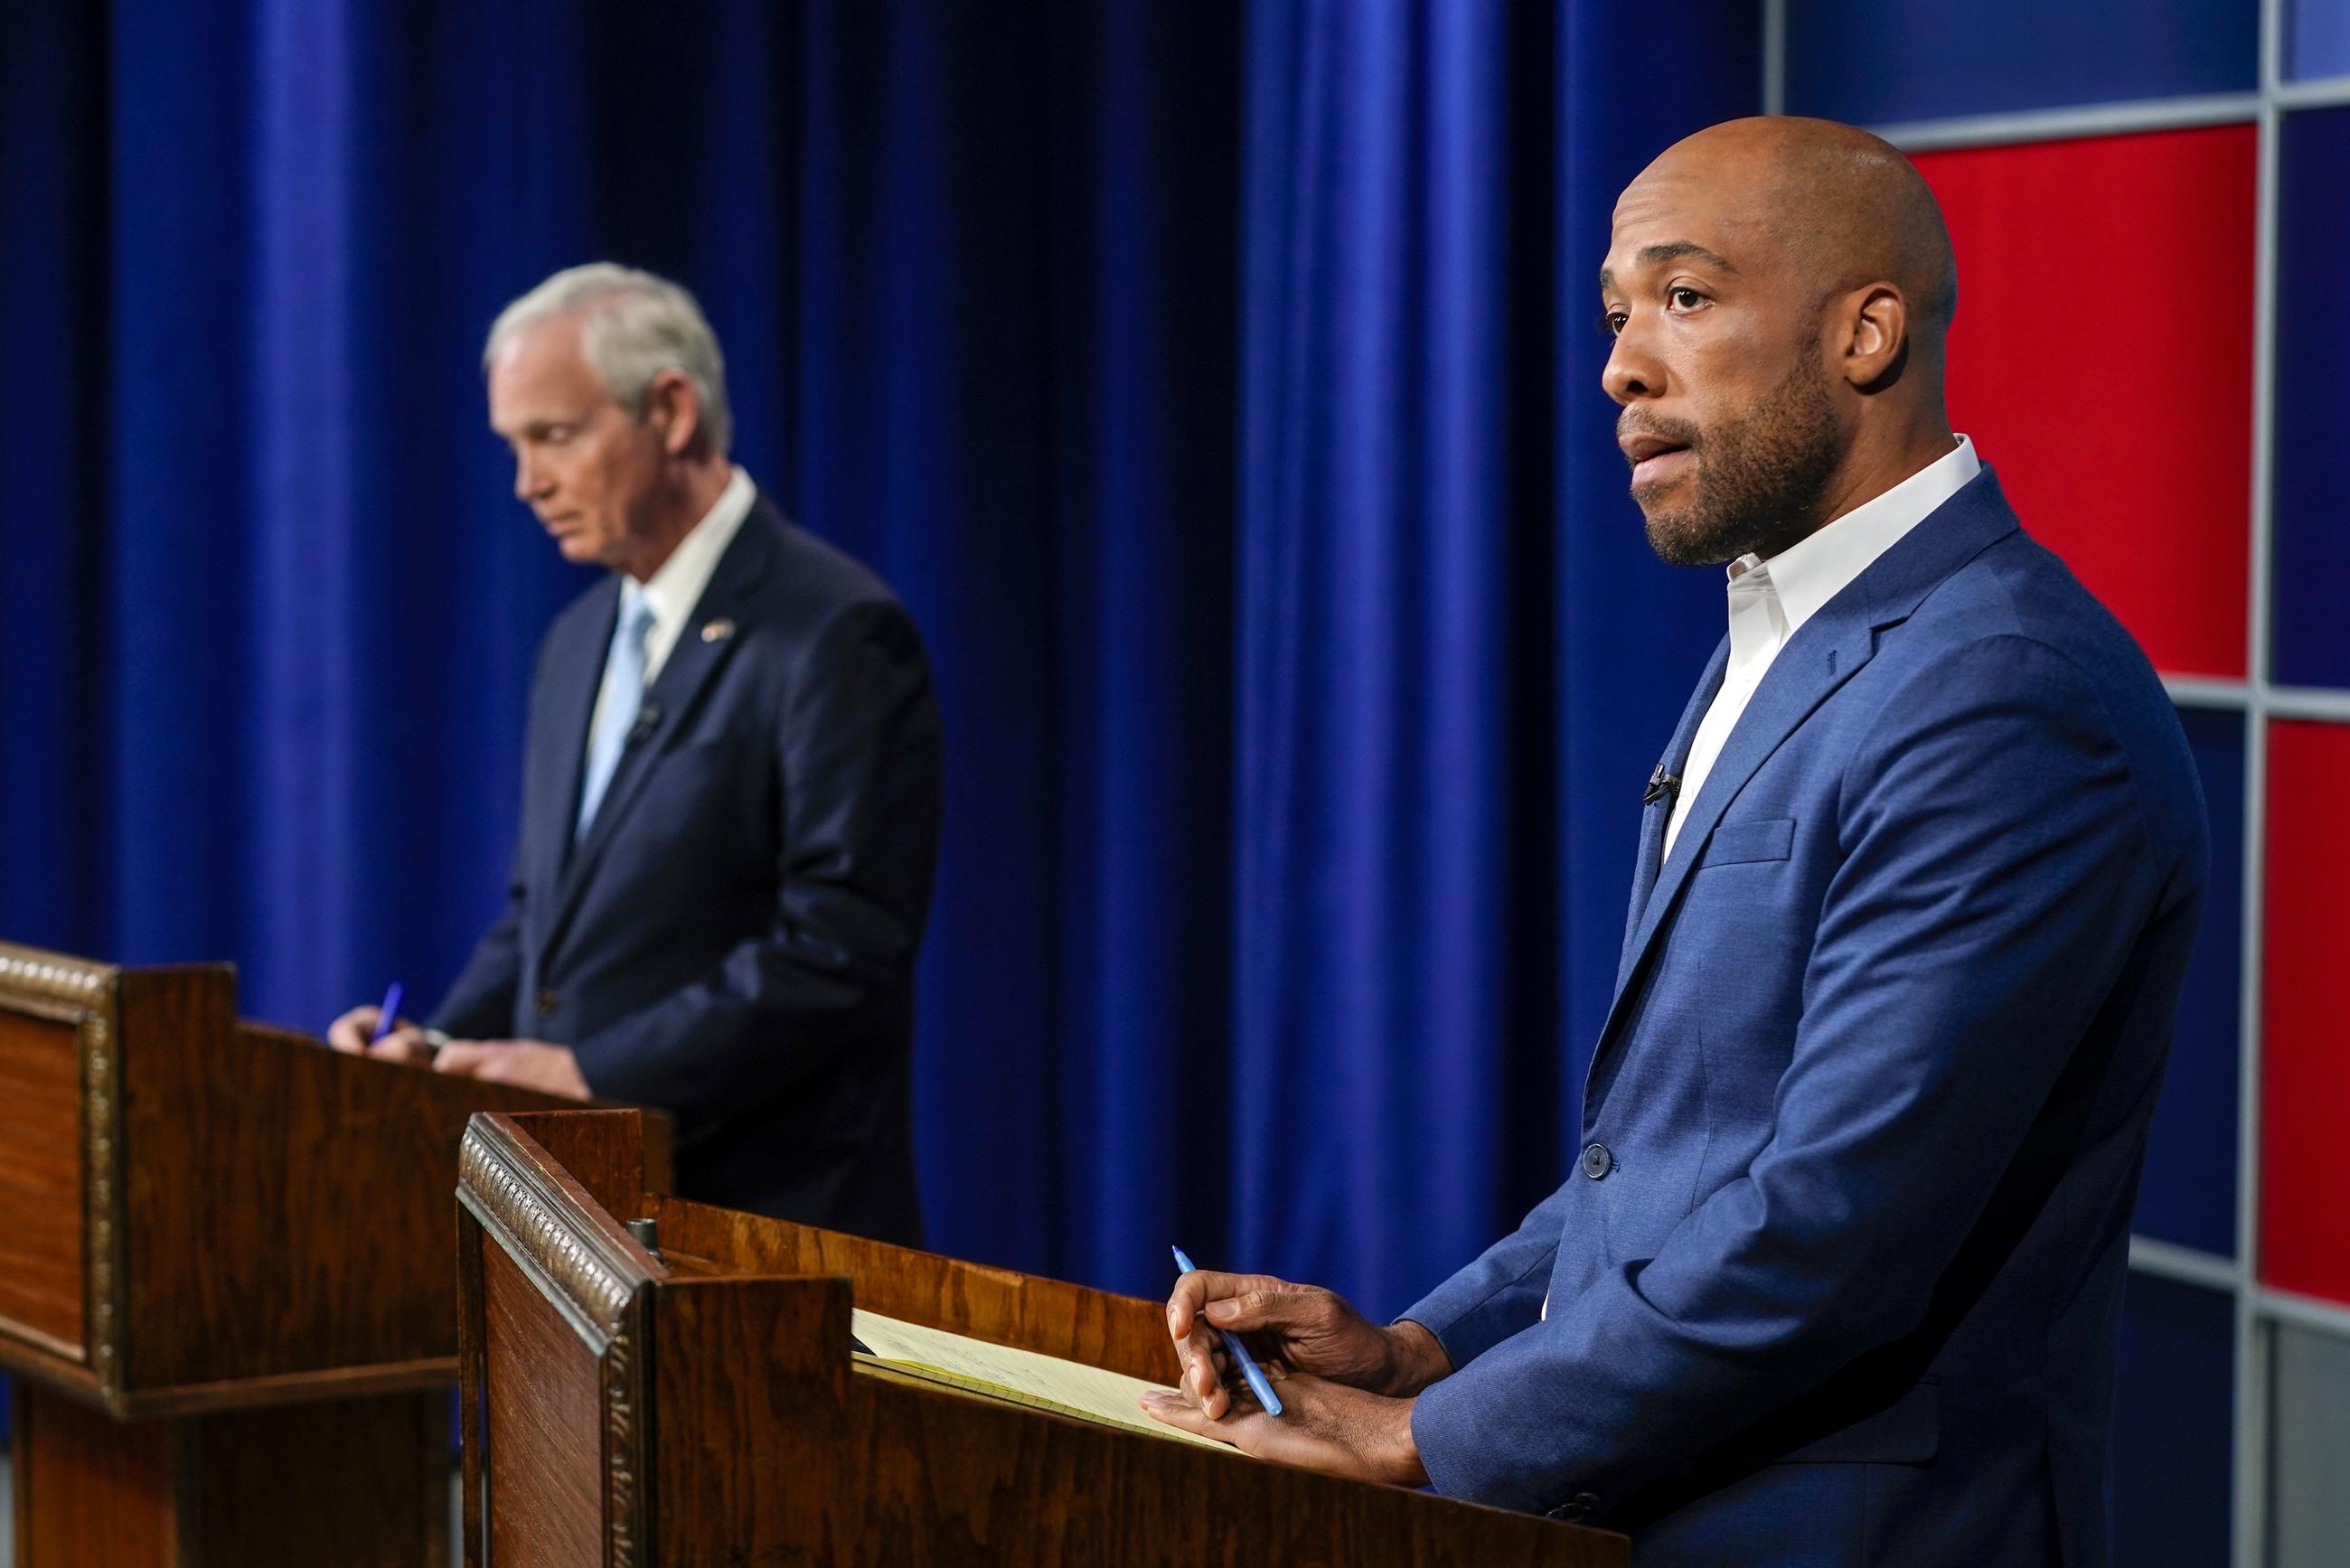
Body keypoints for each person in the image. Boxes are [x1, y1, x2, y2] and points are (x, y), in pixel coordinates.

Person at [1142, 117, 2207, 1567]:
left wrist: (1422, 1436)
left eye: (1685, 297)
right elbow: (1664, 1162)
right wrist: (1422, 1349)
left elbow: (1831, 1224)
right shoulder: (1782, 632)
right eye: (1616, 314)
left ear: (1866, 334)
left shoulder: (2007, 691)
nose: (1622, 367)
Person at [329, 264, 943, 1246]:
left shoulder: (835, 629)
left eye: (554, 436)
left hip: (763, 1237)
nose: (528, 482)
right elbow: (540, 927)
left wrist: (594, 1074)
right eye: (514, 445)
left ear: (670, 411)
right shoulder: (575, 643)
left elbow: (840, 947)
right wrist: (432, 1047)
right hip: (585, 1228)